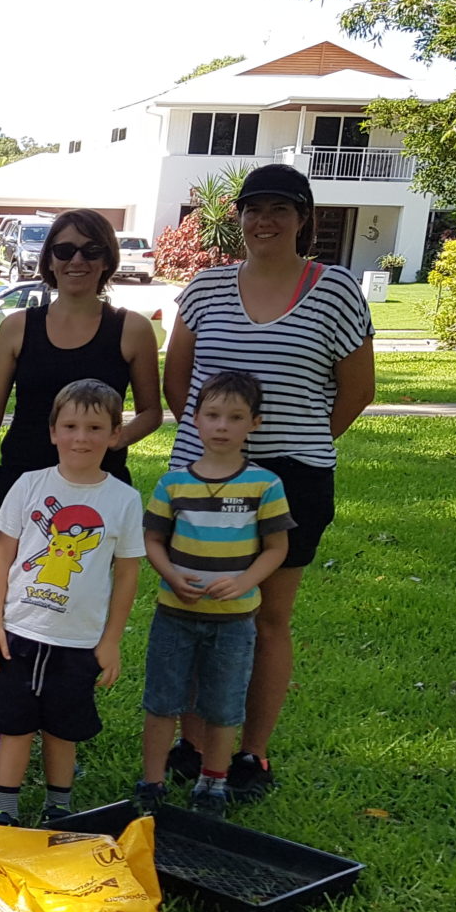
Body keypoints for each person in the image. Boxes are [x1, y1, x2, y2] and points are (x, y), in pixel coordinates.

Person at [160, 162, 374, 799]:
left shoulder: (334, 289)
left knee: (267, 617)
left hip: (293, 477)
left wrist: (299, 446)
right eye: (254, 209)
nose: (266, 220)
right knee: (197, 603)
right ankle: (193, 746)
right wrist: (214, 451)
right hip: (202, 476)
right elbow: (179, 382)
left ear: (303, 218)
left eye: (281, 208)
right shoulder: (204, 287)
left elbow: (358, 391)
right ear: (240, 219)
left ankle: (252, 754)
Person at [0, 206, 162, 764]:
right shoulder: (17, 326)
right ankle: (4, 718)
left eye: (91, 250)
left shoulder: (131, 328)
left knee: (73, 595)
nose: (77, 260)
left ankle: (59, 709)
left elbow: (152, 411)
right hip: (24, 484)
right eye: (64, 249)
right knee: (12, 594)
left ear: (107, 260)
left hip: (94, 488)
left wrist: (106, 443)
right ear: (47, 259)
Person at [0, 379, 145, 830]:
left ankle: (59, 806)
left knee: (63, 729)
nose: (81, 437)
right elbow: (2, 560)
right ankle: (5, 809)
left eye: (95, 427)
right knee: (14, 727)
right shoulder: (28, 485)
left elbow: (127, 574)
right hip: (20, 632)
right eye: (70, 425)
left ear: (114, 435)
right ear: (52, 431)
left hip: (80, 640)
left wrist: (110, 641)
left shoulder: (124, 500)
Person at [134, 372, 293, 817]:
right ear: (196, 421)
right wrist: (169, 574)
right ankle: (151, 782)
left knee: (224, 705)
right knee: (163, 699)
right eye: (213, 415)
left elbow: (277, 547)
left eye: (235, 417)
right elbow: (153, 541)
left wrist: (245, 582)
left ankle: (213, 783)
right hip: (174, 613)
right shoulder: (173, 484)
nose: (222, 426)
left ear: (254, 424)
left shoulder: (266, 485)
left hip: (234, 619)